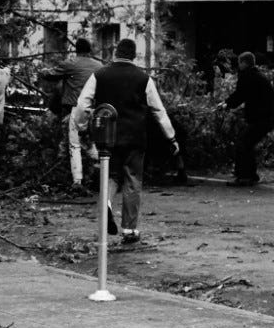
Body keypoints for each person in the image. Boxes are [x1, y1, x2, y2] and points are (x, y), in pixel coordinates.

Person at [77, 39, 179, 244]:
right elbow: (159, 110)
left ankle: (106, 202)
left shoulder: (100, 75)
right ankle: (129, 230)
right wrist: (171, 136)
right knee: (132, 180)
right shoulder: (143, 79)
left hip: (108, 136)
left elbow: (82, 103)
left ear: (116, 52)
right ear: (134, 55)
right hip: (135, 136)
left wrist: (82, 127)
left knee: (111, 175)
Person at [40, 38, 103, 185]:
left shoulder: (70, 64)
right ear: (89, 50)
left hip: (73, 110)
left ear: (76, 50)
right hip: (93, 111)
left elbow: (50, 75)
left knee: (70, 144)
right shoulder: (99, 66)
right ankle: (96, 175)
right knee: (90, 142)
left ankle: (73, 180)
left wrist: (42, 71)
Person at [221, 51, 274, 187]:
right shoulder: (258, 76)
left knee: (243, 143)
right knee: (247, 144)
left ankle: (244, 176)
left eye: (239, 63)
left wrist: (226, 103)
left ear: (243, 63)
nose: (238, 66)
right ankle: (250, 175)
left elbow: (240, 94)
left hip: (260, 118)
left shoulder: (247, 76)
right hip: (267, 117)